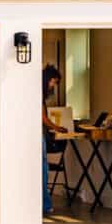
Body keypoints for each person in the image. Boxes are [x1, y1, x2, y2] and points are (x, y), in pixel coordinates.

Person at [42, 63, 67, 215]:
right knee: (42, 171)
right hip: (37, 136)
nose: (53, 86)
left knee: (42, 171)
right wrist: (57, 127)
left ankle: (45, 204)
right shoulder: (37, 92)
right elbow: (43, 117)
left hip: (39, 134)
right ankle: (45, 205)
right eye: (53, 82)